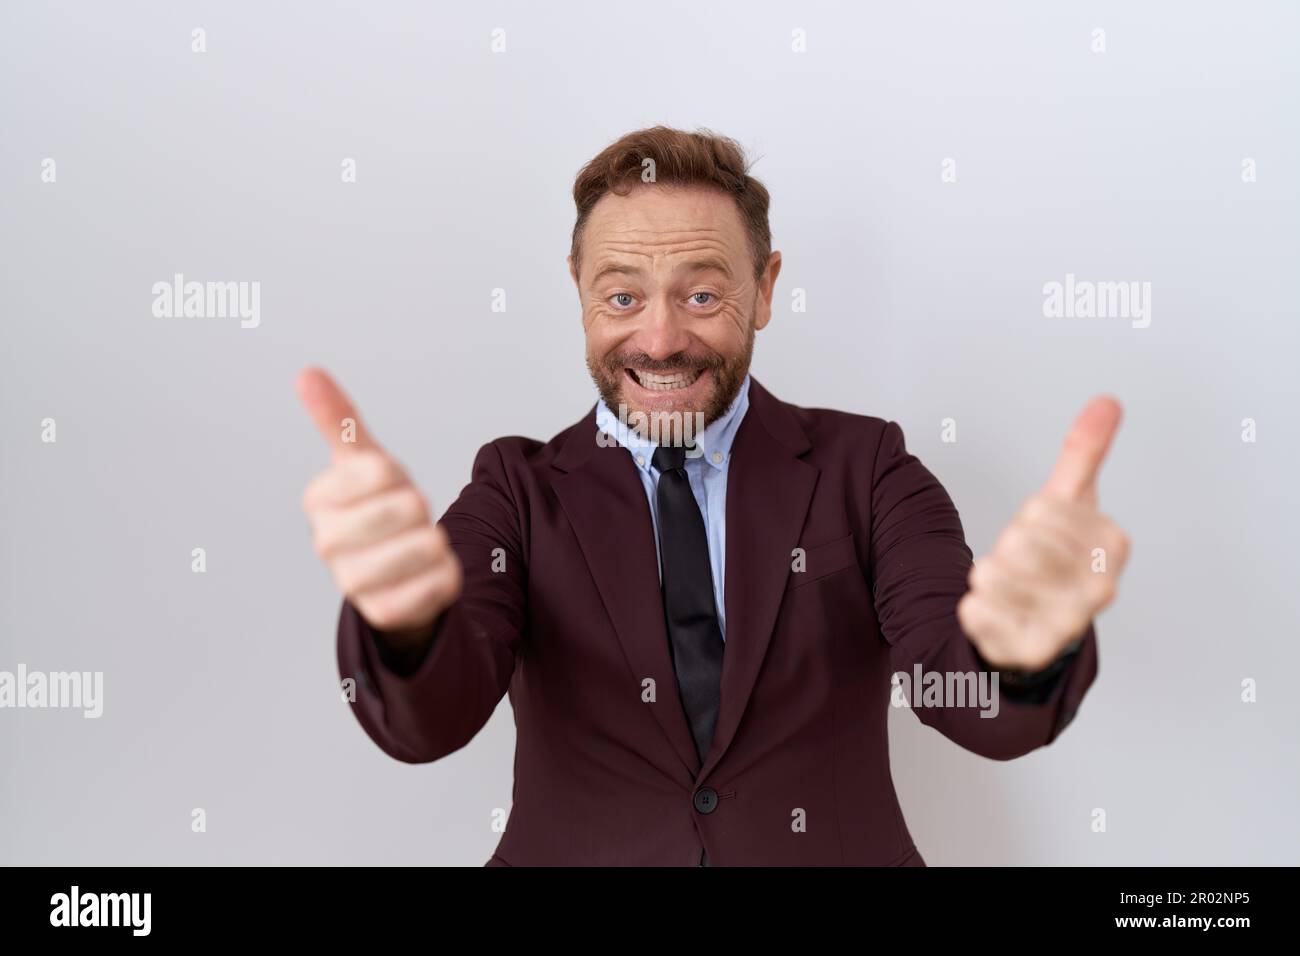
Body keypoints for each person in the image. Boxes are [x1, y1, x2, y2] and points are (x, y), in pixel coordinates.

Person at [296, 126, 1130, 866]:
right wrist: (403, 628)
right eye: (622, 295)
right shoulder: (514, 490)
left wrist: (1021, 656)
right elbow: (429, 721)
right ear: (578, 290)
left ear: (764, 289)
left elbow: (970, 699)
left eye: (702, 294)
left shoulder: (867, 468)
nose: (660, 340)